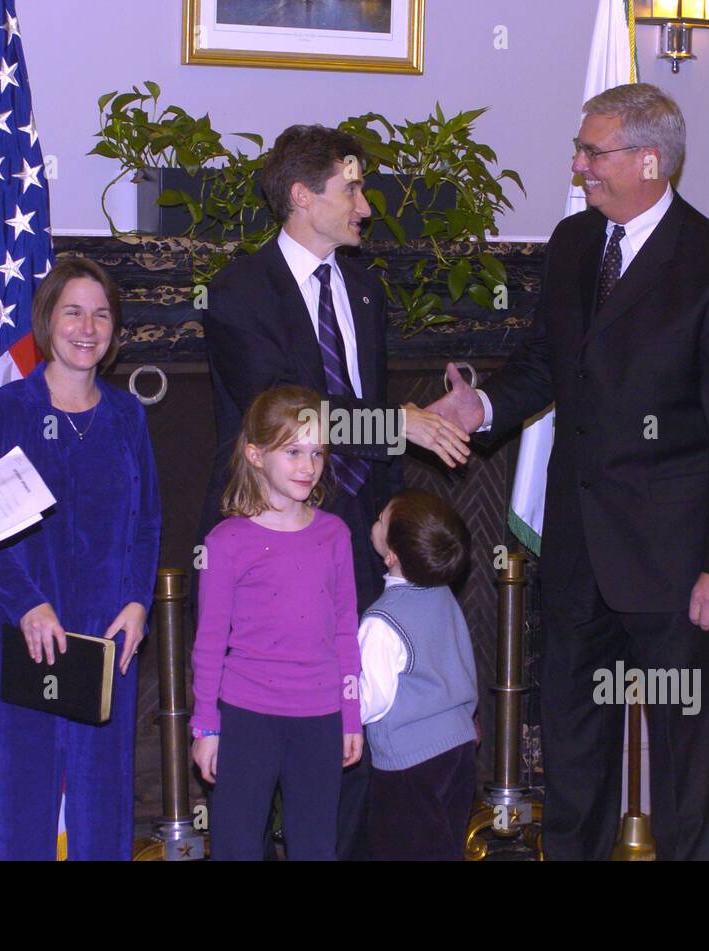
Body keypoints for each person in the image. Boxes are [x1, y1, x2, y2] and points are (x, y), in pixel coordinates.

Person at [428, 82, 709, 860]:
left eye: (593, 151)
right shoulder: (576, 242)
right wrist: (480, 409)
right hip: (579, 556)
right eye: (581, 149)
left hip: (678, 566)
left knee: (687, 766)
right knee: (577, 757)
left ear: (649, 159)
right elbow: (544, 365)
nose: (578, 164)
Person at [202, 123, 471, 858]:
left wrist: (416, 440)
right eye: (350, 187)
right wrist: (398, 422)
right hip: (270, 545)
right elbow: (286, 415)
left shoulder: (364, 287)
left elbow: (369, 413)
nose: (366, 204)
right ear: (301, 194)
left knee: (347, 738)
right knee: (260, 764)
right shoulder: (237, 292)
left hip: (356, 537)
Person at [0, 259, 161, 860]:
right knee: (25, 805)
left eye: (102, 314)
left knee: (103, 806)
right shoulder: (3, 410)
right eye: (73, 311)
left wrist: (137, 603)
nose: (88, 326)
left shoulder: (128, 415)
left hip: (108, 639)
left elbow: (146, 520)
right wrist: (28, 606)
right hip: (28, 634)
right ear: (46, 320)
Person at [190, 386, 362, 861]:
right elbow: (209, 643)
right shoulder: (225, 542)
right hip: (247, 716)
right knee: (238, 845)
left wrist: (351, 713)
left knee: (315, 845)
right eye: (292, 452)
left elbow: (346, 630)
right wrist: (206, 727)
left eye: (317, 452)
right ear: (255, 455)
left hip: (321, 716)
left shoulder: (335, 534)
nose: (308, 466)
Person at [359, 489, 478, 861]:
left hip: (409, 762)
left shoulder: (381, 620)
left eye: (382, 519)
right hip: (459, 749)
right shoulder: (443, 595)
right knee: (444, 848)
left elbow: (370, 703)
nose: (376, 519)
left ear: (391, 555)